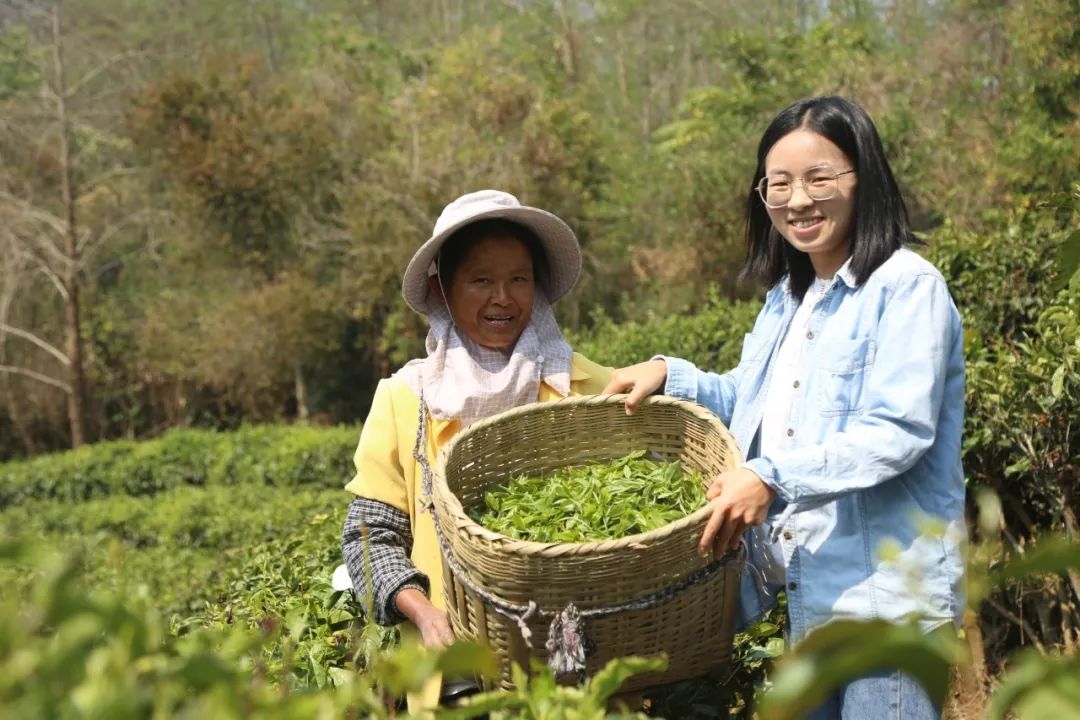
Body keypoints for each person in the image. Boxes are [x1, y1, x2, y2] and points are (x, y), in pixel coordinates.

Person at [603, 96, 965, 719]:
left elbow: (898, 430)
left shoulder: (906, 287)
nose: (798, 200)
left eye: (820, 178)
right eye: (780, 184)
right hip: (809, 603)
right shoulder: (787, 297)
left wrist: (771, 476)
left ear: (863, 177)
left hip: (887, 609)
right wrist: (670, 374)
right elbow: (753, 400)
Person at [339, 189, 611, 712]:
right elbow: (368, 538)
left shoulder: (582, 386)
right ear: (443, 290)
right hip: (451, 670)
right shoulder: (405, 400)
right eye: (481, 280)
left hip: (566, 656)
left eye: (519, 280)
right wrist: (420, 610)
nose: (502, 298)